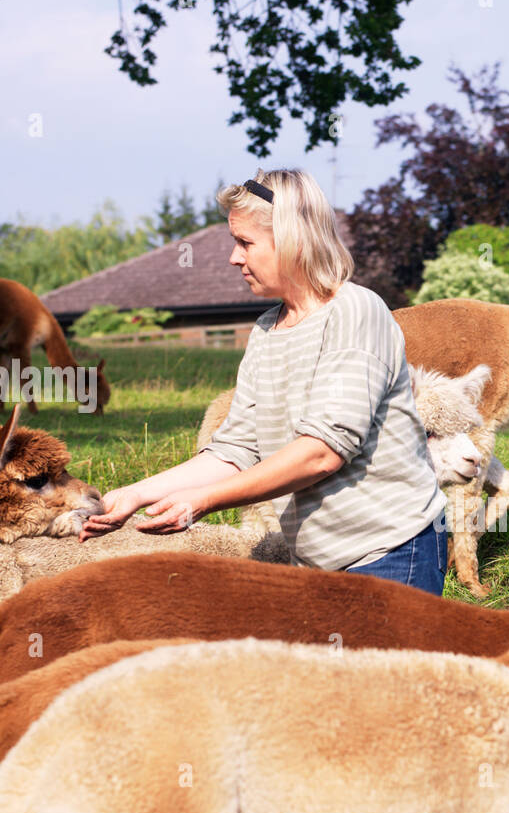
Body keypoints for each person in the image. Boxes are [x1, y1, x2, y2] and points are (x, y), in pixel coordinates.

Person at [81, 169, 447, 594]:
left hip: (390, 552)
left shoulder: (355, 312)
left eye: (245, 243)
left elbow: (322, 453)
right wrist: (134, 494)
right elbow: (235, 450)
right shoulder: (266, 330)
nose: (234, 258)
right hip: (318, 561)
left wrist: (203, 501)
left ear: (294, 240)